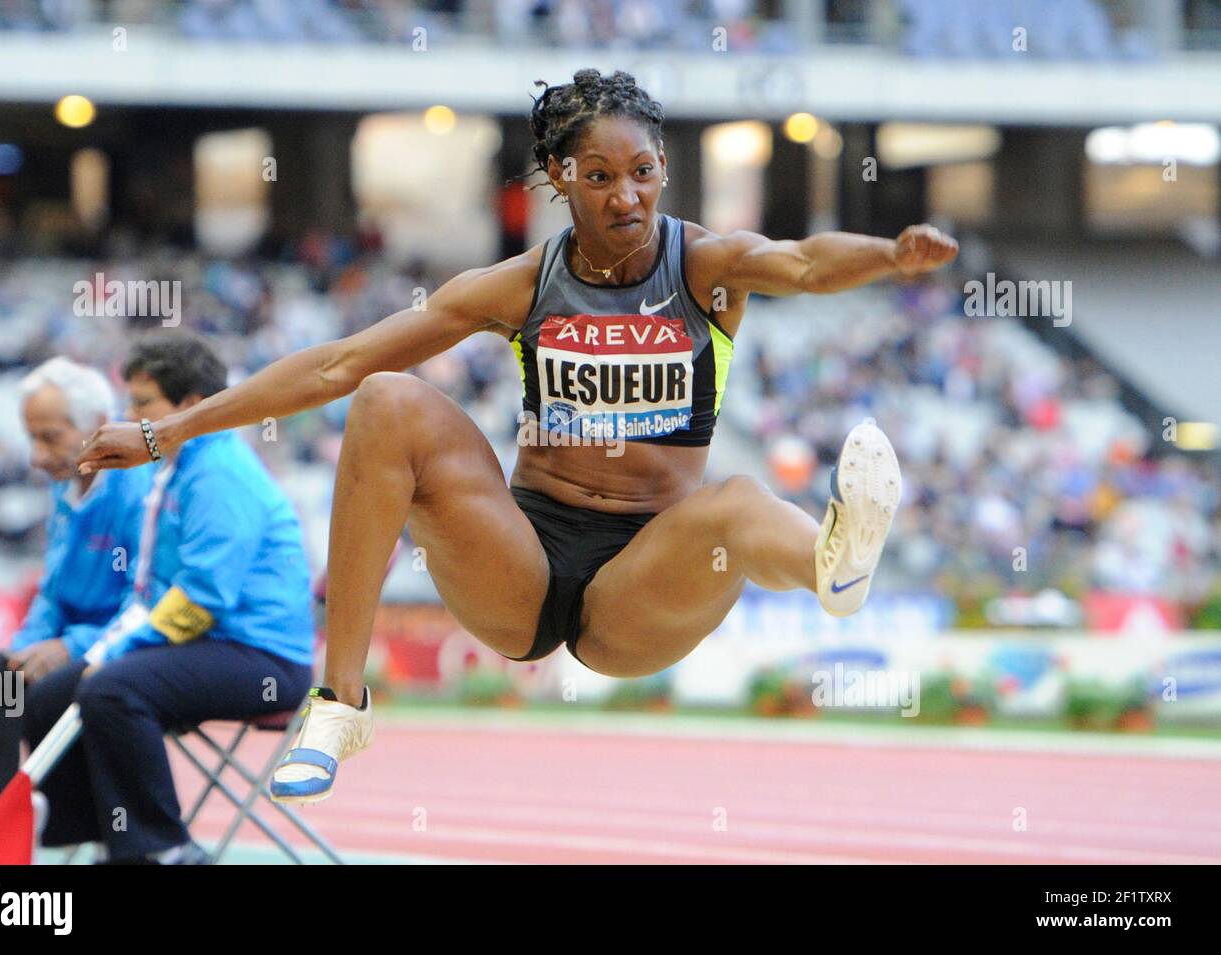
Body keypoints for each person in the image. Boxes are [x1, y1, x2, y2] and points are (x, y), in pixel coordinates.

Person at [78, 68, 958, 804]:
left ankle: (830, 566)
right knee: (388, 398)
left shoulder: (707, 265)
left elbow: (805, 262)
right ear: (557, 178)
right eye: (602, 176)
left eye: (645, 172)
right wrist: (169, 431)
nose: (629, 196)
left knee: (737, 498)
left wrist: (890, 255)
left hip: (646, 578)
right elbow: (338, 363)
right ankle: (340, 702)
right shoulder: (516, 285)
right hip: (524, 564)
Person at [24, 332, 315, 863]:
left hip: (264, 657)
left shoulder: (220, 474)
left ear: (190, 406)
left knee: (112, 689)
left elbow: (203, 600)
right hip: (208, 643)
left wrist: (117, 654)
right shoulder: (177, 469)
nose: (128, 414)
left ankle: (164, 848)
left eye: (142, 404)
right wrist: (107, 648)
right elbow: (155, 593)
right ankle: (101, 836)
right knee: (48, 692)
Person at [0, 358, 148, 864]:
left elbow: (146, 604)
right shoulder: (65, 492)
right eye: (32, 438)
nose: (37, 456)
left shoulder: (138, 489)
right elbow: (51, 594)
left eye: (49, 437)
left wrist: (69, 646)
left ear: (96, 427)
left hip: (117, 655)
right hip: (63, 646)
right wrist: (27, 647)